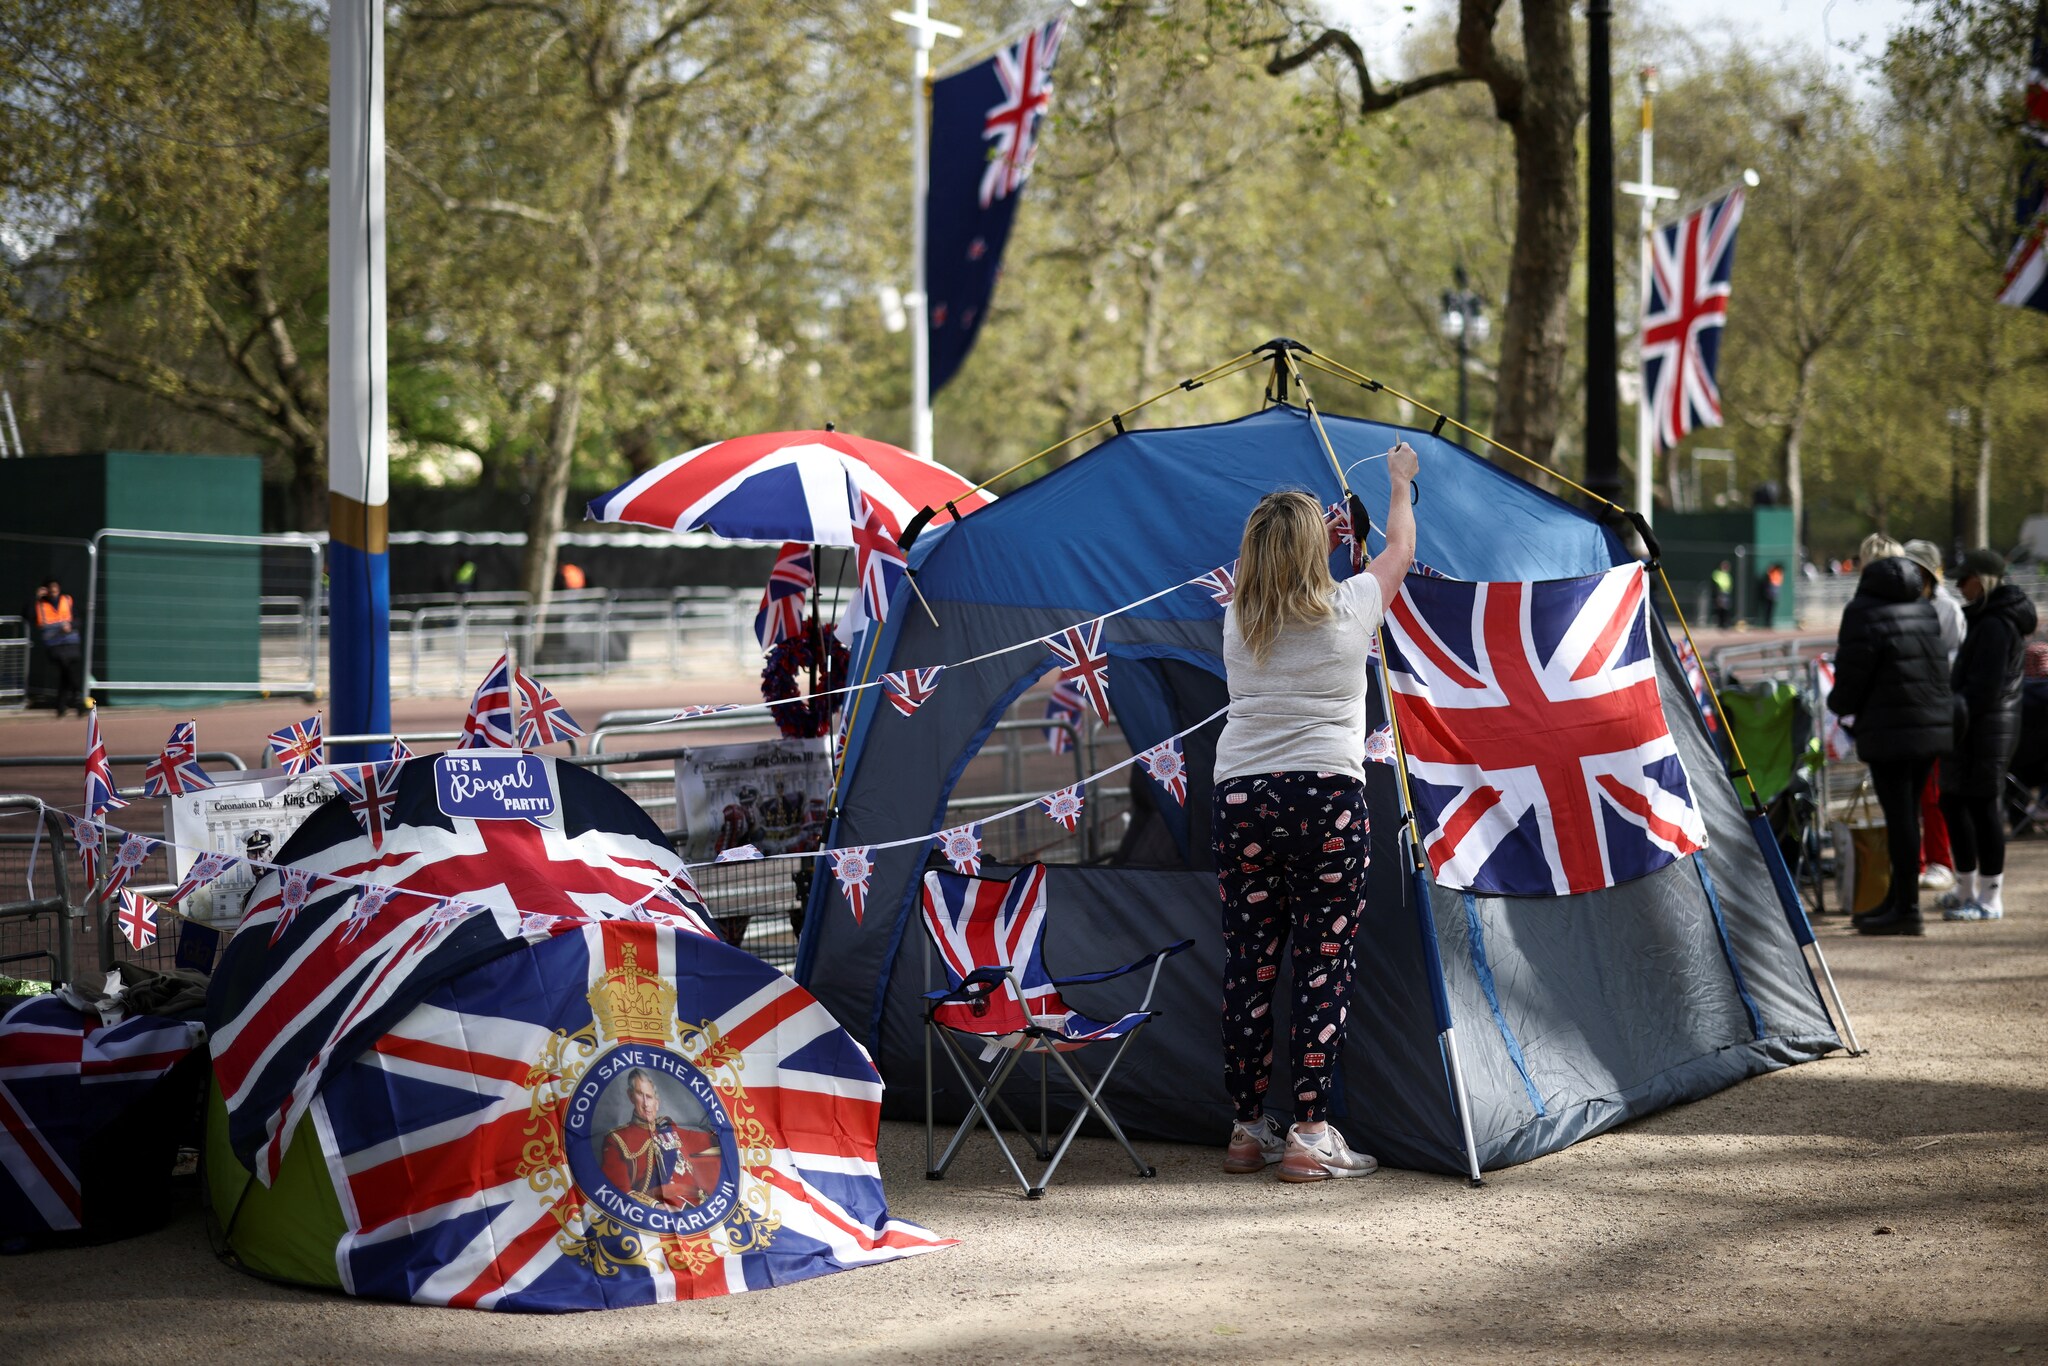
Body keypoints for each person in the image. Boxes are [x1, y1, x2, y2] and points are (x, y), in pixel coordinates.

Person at [1212, 443, 1417, 1183]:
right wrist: (1398, 483)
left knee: (1250, 966)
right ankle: (1309, 1132)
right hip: (1326, 799)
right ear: (1314, 552)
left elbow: (1277, 575)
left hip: (1241, 798)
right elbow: (1399, 548)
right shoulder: (1353, 606)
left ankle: (1245, 1129)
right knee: (1322, 967)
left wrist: (1306, 540)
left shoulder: (1238, 620)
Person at [1827, 545, 1953, 936]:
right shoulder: (1924, 607)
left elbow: (1853, 672)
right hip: (1929, 727)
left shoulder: (1861, 611)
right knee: (1909, 814)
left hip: (1890, 730)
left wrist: (1839, 704)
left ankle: (1906, 909)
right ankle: (1899, 900)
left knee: (1899, 818)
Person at [1936, 549, 2036, 922]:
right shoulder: (1985, 618)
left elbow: (1986, 687)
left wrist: (1952, 709)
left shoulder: (1995, 623)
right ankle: (1966, 888)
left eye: (1966, 578)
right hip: (1974, 723)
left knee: (1981, 805)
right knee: (1955, 802)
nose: (1960, 585)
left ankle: (1990, 897)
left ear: (1984, 579)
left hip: (1987, 726)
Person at [1900, 540, 1962, 887]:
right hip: (1906, 710)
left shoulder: (1948, 608)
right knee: (1906, 792)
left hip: (1935, 710)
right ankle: (1916, 861)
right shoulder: (1902, 605)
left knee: (1933, 792)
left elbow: (1958, 656)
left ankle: (1940, 859)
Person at [600, 1068, 721, 1207]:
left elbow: (712, 1139)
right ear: (631, 1096)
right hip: (657, 1210)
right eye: (640, 1095)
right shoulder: (616, 1139)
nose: (646, 1104)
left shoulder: (672, 1130)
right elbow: (619, 1191)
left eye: (649, 1097)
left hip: (695, 1205)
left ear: (657, 1103)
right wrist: (655, 1206)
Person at [33, 576, 83, 717]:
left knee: (66, 673)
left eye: (55, 587)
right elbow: (28, 615)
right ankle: (78, 696)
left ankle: (61, 706)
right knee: (65, 666)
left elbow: (79, 619)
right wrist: (35, 598)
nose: (53, 590)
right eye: (50, 587)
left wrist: (71, 625)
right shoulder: (40, 604)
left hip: (70, 642)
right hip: (54, 645)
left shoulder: (67, 600)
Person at [1710, 561, 1734, 628]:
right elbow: (1716, 582)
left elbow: (1729, 584)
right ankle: (1720, 623)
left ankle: (1725, 623)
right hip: (1720, 593)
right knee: (1720, 608)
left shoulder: (1727, 575)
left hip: (1726, 593)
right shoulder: (1717, 573)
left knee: (1726, 609)